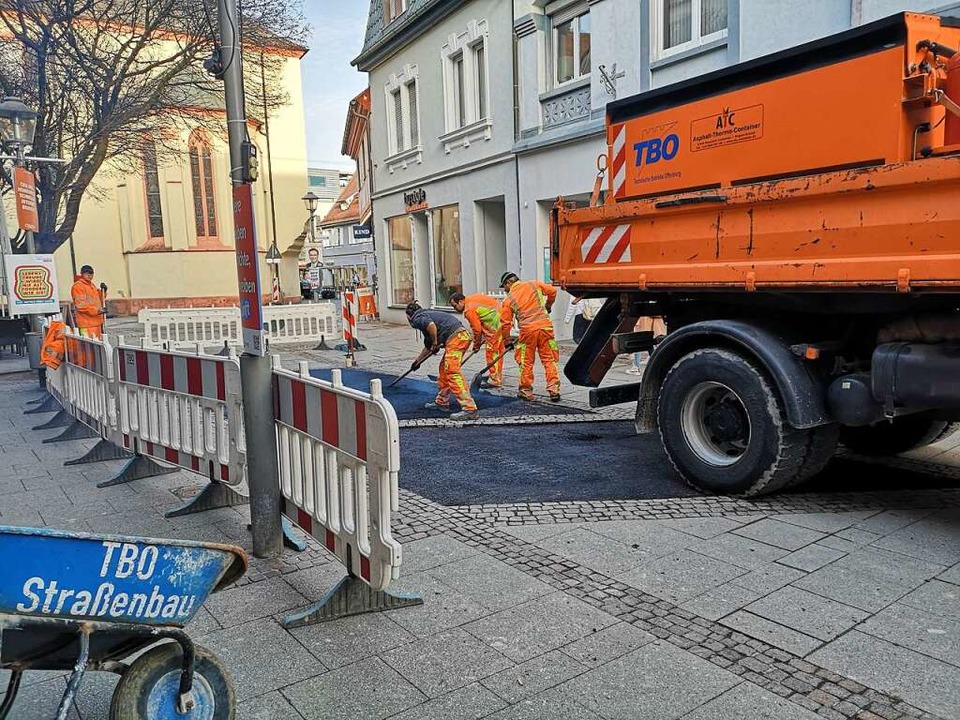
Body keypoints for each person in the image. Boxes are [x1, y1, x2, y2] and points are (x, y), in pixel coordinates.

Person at [406, 301, 478, 420]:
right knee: (444, 369)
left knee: (451, 370)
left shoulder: (417, 318)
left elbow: (431, 326)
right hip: (460, 336)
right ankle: (442, 402)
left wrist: (435, 343)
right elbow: (428, 347)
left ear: (409, 315)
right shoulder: (426, 314)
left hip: (457, 337)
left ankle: (469, 408)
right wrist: (417, 362)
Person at [499, 271, 561, 402]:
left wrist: (507, 340)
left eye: (504, 286)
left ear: (509, 282)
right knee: (549, 359)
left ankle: (526, 391)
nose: (504, 290)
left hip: (528, 331)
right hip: (545, 327)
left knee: (526, 361)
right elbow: (552, 292)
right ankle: (554, 389)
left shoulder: (509, 299)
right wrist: (548, 306)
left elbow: (505, 323)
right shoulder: (534, 284)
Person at [450, 291, 503, 389]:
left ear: (461, 301)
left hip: (494, 325)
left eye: (455, 306)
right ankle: (496, 376)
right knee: (498, 352)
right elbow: (482, 316)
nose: (455, 309)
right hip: (501, 321)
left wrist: (476, 345)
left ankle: (495, 380)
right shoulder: (471, 299)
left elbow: (477, 330)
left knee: (491, 353)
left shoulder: (468, 310)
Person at [71, 265, 106, 338]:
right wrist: (97, 311)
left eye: (91, 273)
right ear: (82, 274)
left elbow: (98, 299)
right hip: (86, 323)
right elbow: (80, 305)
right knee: (88, 347)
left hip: (96, 322)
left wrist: (103, 291)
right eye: (87, 273)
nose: (89, 275)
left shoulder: (91, 285)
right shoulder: (78, 286)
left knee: (97, 346)